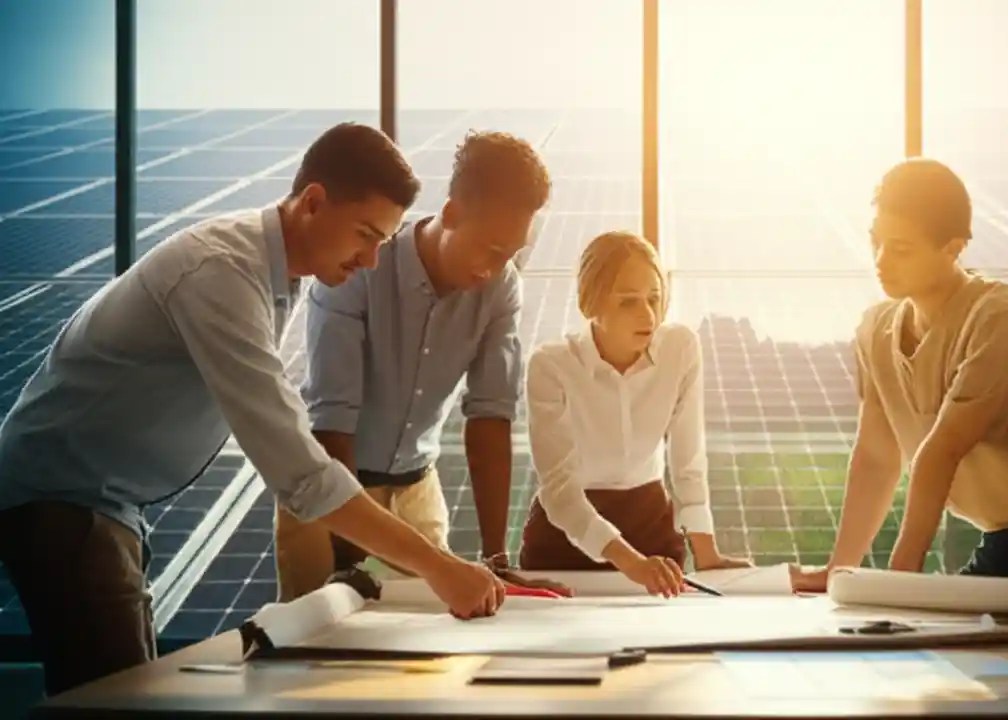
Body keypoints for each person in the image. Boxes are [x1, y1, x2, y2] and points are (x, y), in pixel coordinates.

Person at [0, 122, 506, 697]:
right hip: (65, 500)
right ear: (313, 202)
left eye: (383, 243)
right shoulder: (221, 273)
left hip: (103, 502)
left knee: (129, 692)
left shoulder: (272, 273)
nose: (369, 260)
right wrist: (439, 567)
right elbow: (299, 471)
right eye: (364, 234)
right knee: (116, 702)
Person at [791, 159, 1008, 641]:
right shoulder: (875, 328)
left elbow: (942, 450)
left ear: (953, 248)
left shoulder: (1001, 313)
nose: (881, 260)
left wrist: (897, 584)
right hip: (1001, 540)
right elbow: (875, 456)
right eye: (877, 241)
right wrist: (839, 570)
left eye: (901, 248)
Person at [276, 130, 567, 599]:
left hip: (417, 491)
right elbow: (333, 417)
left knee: (438, 642)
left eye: (510, 255)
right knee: (317, 640)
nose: (494, 270)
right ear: (451, 215)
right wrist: (348, 557)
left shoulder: (501, 288)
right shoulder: (358, 263)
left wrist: (496, 559)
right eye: (491, 250)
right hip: (328, 485)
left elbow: (491, 414)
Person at [520, 231, 750, 596]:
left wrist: (707, 555)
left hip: (650, 525)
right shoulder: (550, 366)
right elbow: (559, 489)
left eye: (654, 299)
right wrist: (632, 564)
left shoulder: (681, 348)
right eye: (628, 302)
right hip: (565, 534)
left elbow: (688, 460)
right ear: (590, 303)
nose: (648, 315)